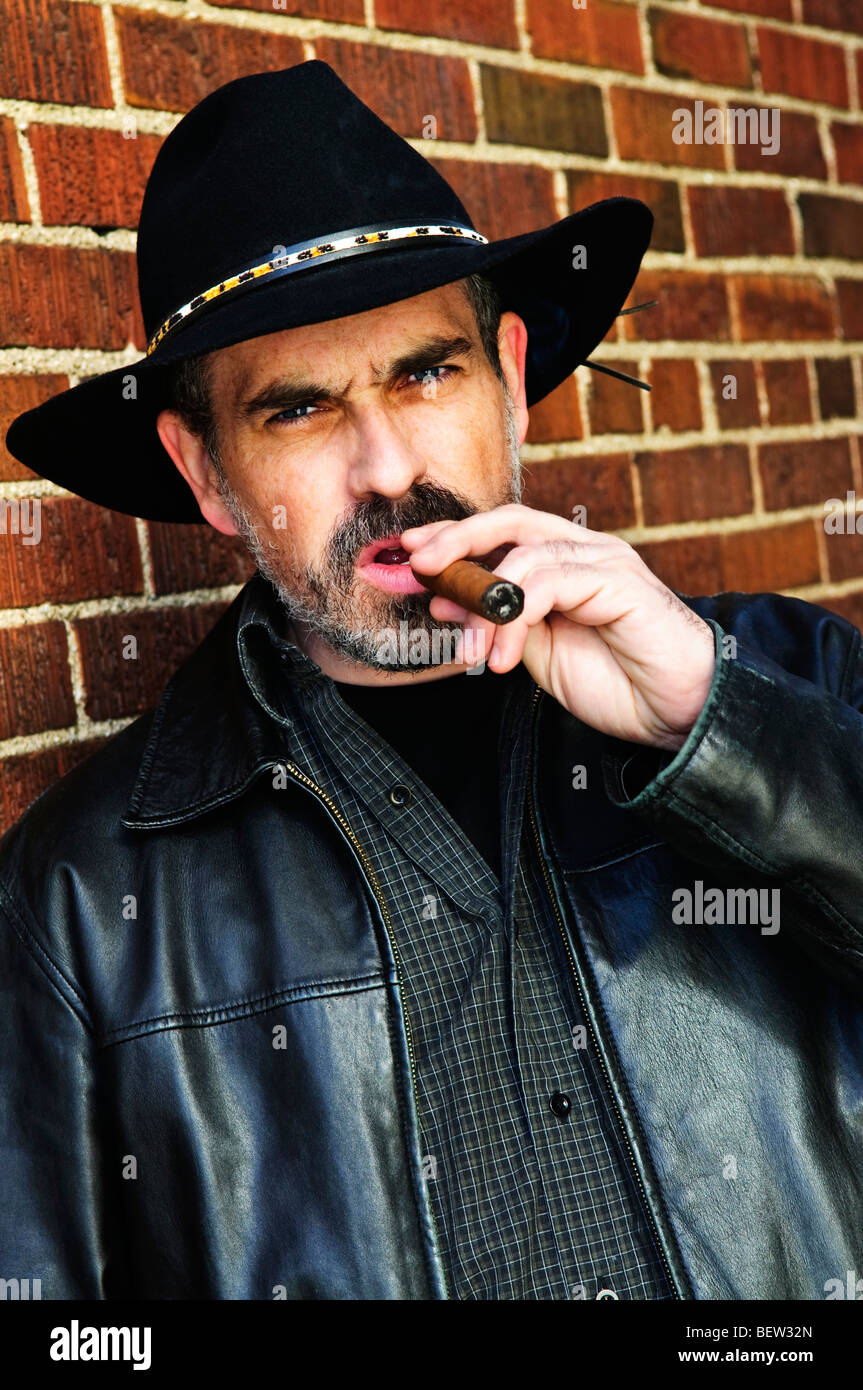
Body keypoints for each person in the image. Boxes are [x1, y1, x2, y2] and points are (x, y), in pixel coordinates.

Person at [2, 60, 862, 1302]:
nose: (388, 467)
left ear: (508, 378)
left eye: (425, 372)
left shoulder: (791, 679)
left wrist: (715, 724)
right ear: (205, 475)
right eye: (298, 409)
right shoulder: (79, 901)